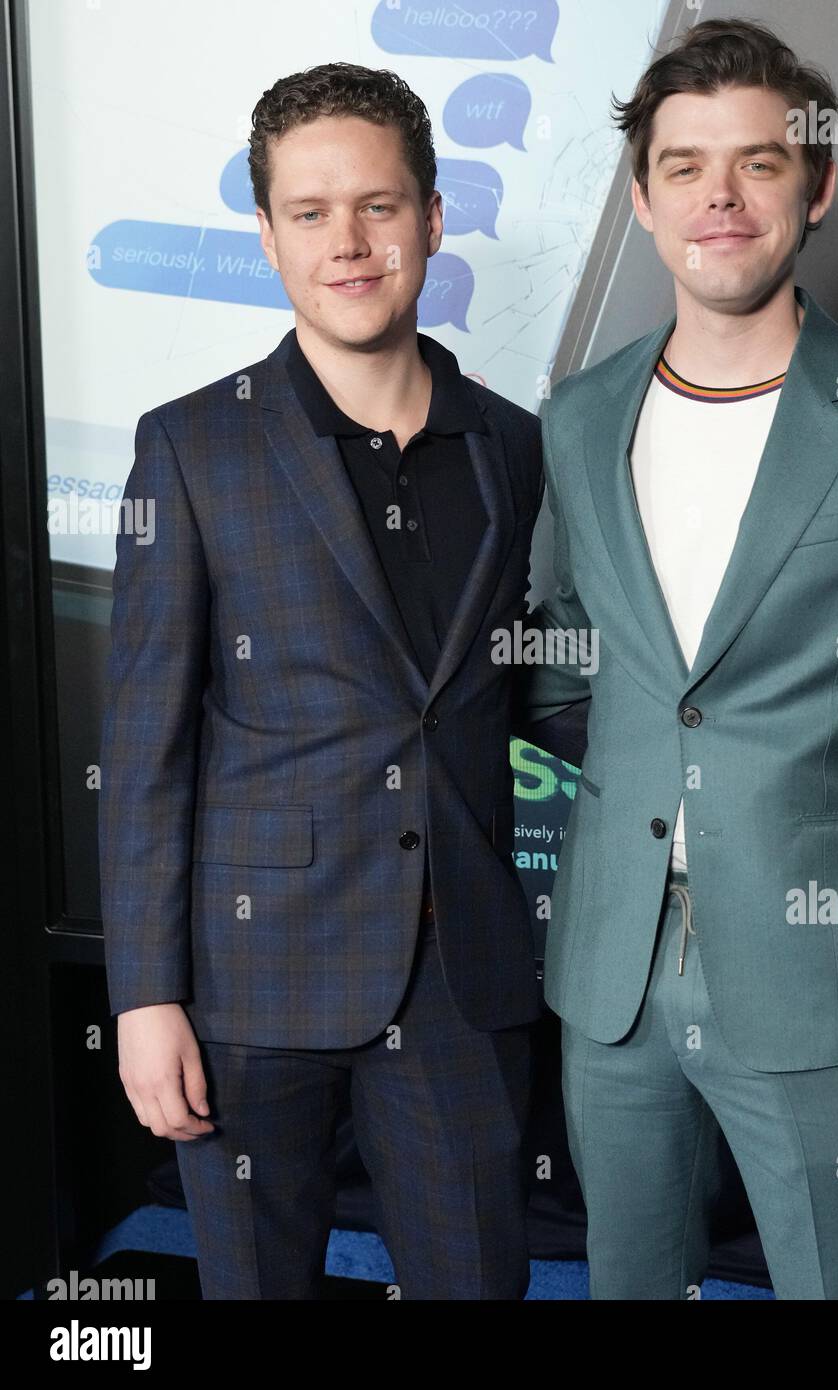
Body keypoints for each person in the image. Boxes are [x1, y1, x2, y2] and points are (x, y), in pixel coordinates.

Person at [517, 18, 838, 1300]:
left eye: (756, 163)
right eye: (682, 166)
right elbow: (566, 667)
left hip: (820, 974)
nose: (718, 198)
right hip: (611, 971)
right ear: (641, 197)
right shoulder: (576, 420)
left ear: (818, 185)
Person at [99, 62, 552, 1300]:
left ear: (433, 218)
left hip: (462, 979)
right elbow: (143, 749)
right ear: (266, 234)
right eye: (309, 213)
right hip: (250, 985)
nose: (347, 242)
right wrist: (144, 999)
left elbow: (536, 684)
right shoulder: (190, 445)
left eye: (377, 206)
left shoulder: (514, 444)